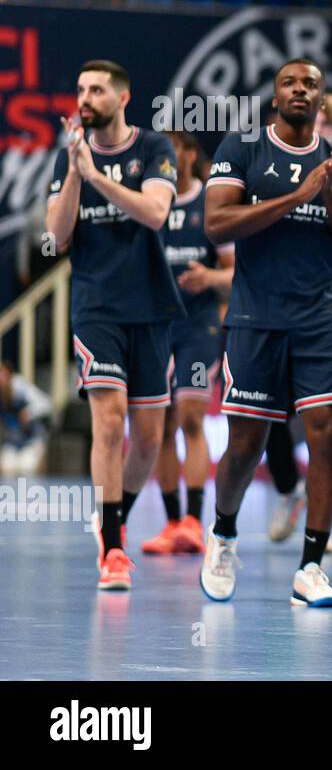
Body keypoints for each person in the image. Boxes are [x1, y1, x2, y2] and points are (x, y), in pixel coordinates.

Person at [200, 58, 332, 608]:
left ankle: (312, 567)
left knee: (329, 437)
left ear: (322, 101)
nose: (300, 90)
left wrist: (327, 193)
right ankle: (224, 534)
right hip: (255, 319)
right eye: (289, 83)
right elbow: (216, 223)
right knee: (245, 446)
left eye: (311, 84)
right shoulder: (243, 148)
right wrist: (296, 197)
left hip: (321, 319)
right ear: (276, 97)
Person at [45, 60, 183, 589]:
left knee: (147, 439)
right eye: (80, 88)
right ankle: (114, 550)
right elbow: (56, 237)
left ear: (122, 98)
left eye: (97, 89)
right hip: (96, 306)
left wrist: (99, 175)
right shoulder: (69, 157)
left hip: (150, 307)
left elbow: (154, 213)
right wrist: (77, 173)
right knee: (110, 422)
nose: (86, 97)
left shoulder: (153, 149)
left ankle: (111, 516)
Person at [140, 131, 233, 556]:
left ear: (191, 157)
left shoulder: (209, 204)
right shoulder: (148, 205)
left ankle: (196, 520)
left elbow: (235, 273)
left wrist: (209, 278)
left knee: (192, 418)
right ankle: (172, 520)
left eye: (171, 154)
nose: (162, 162)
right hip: (157, 326)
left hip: (197, 327)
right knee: (160, 427)